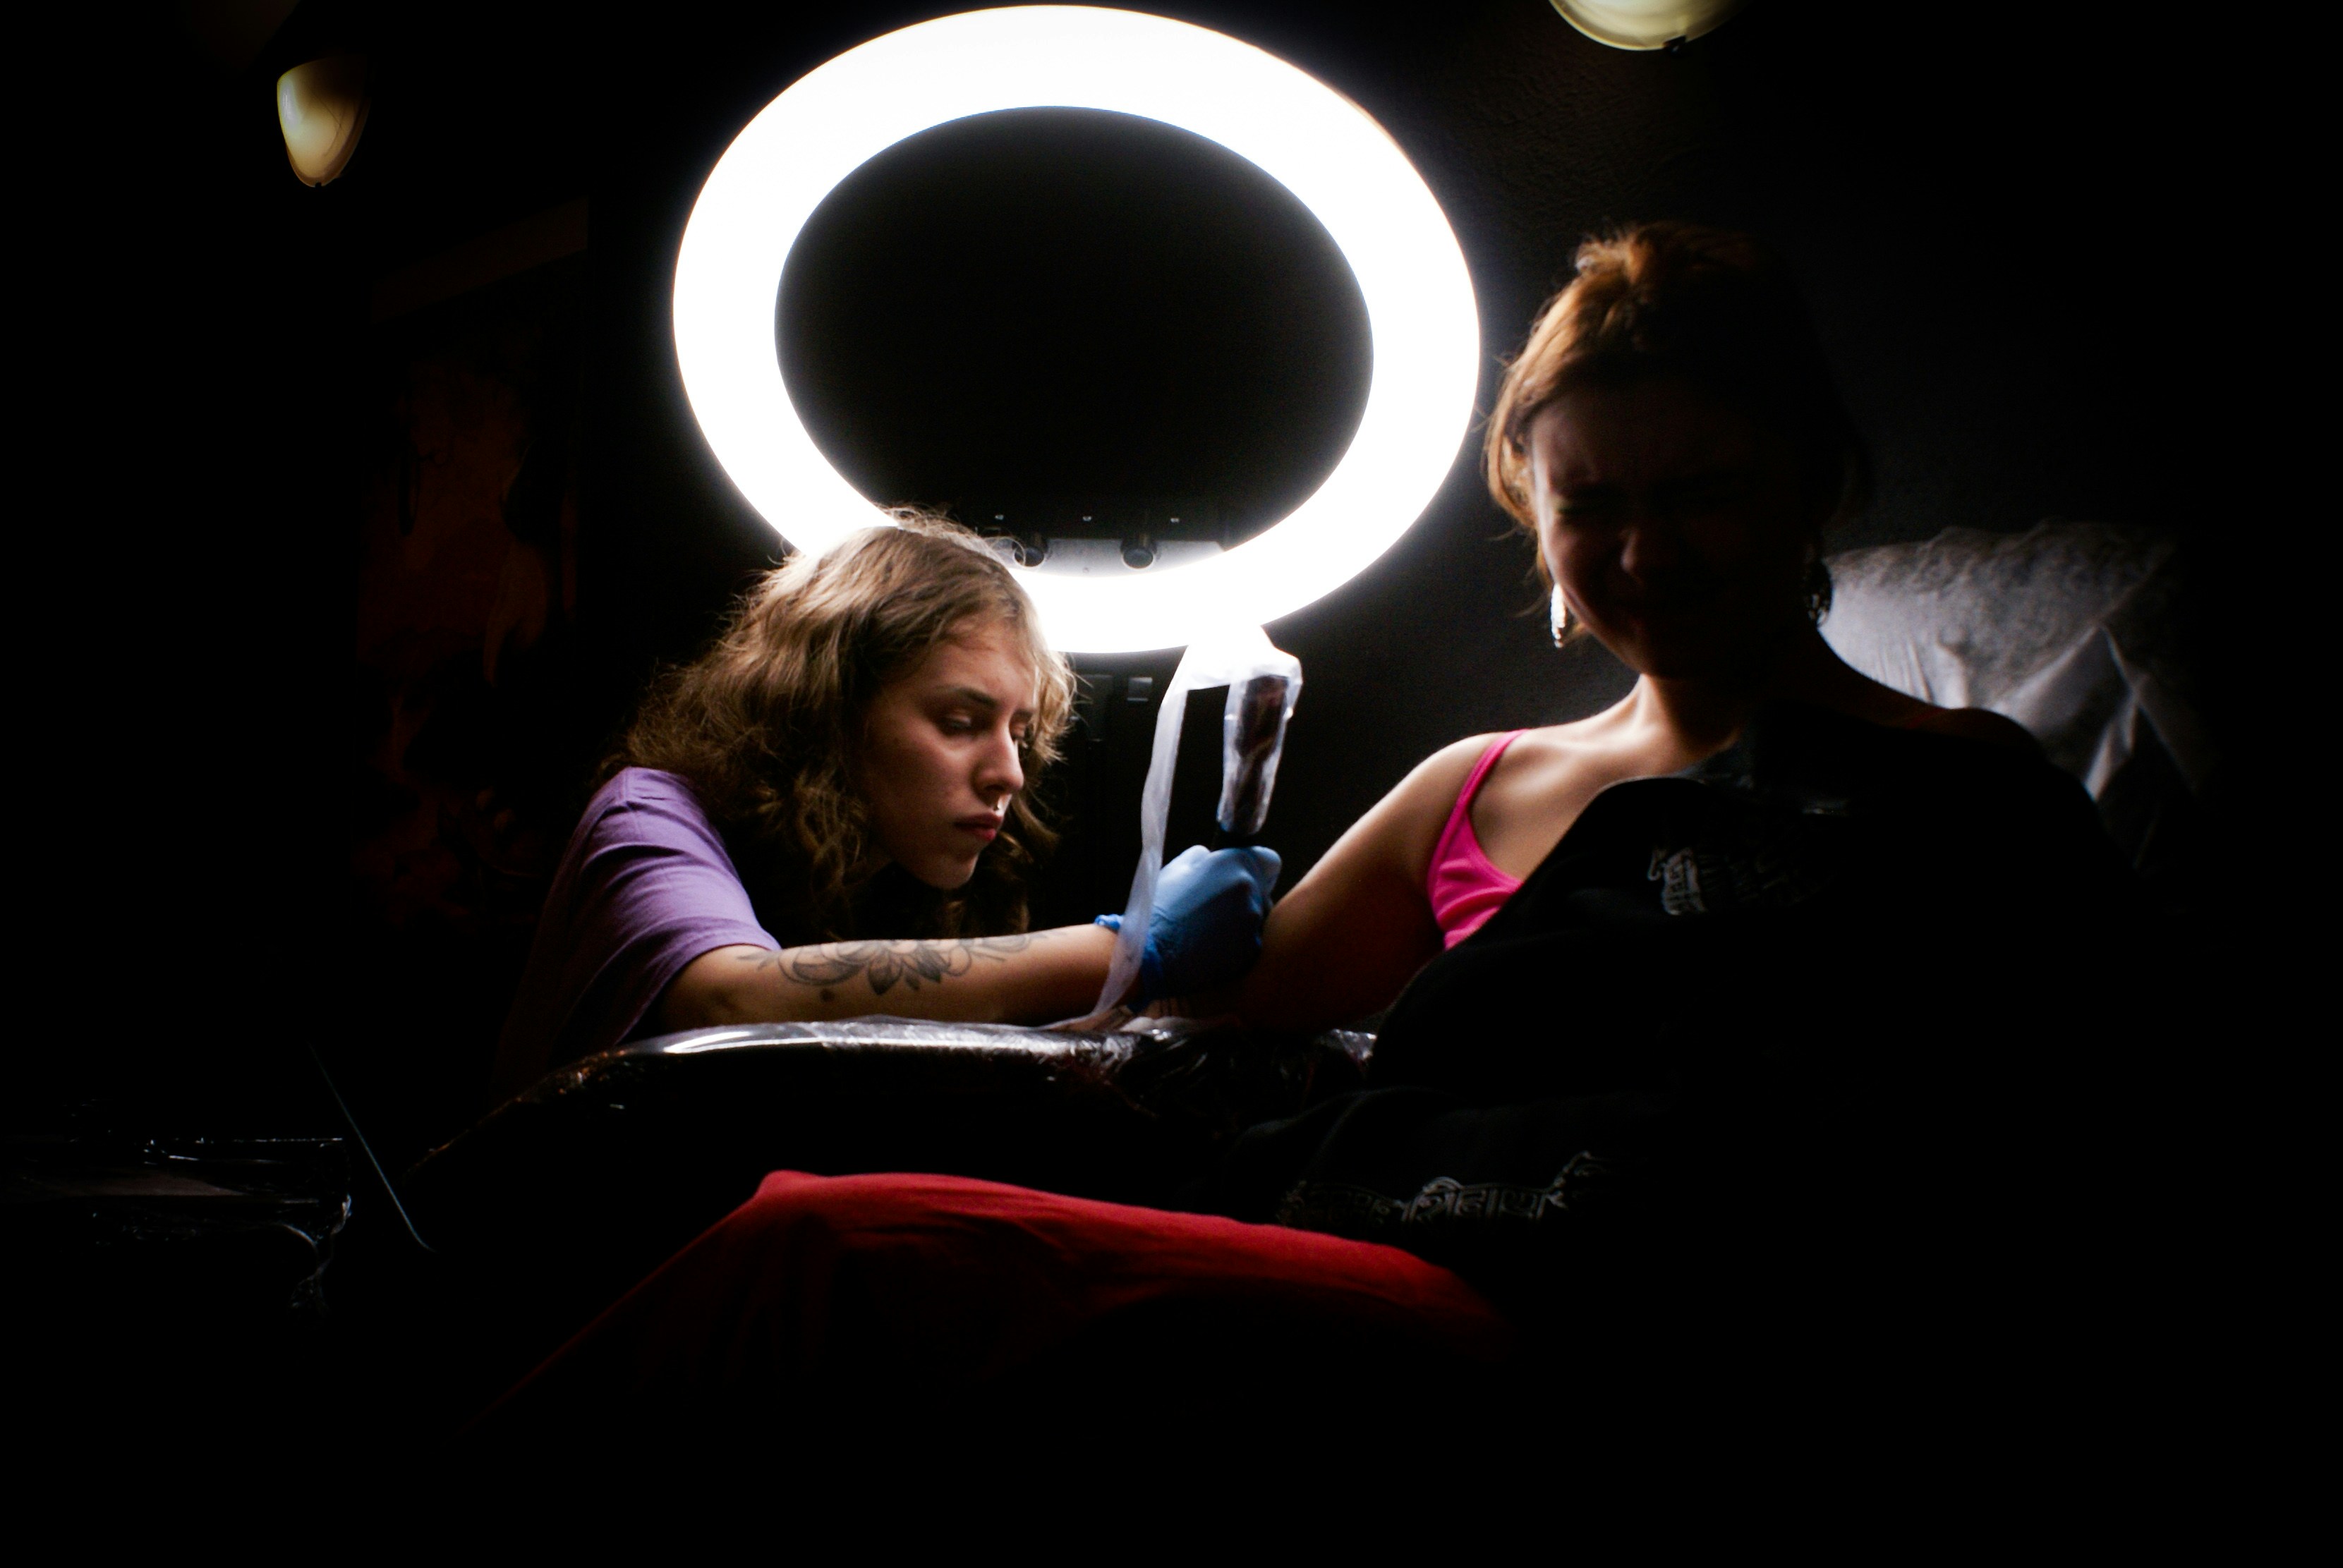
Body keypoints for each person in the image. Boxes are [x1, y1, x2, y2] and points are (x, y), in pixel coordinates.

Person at [1179, 224, 2142, 1380]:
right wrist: (926, 959)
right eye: (1589, 507)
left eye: (1703, 493)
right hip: (1390, 1316)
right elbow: (1200, 990)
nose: (1644, 554)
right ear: (1535, 514)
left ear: (1809, 484)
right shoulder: (1473, 783)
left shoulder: (1968, 793)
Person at [490, 515, 1279, 1100]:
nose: (1008, 771)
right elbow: (729, 1000)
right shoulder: (648, 818)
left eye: (1022, 730)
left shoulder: (901, 883)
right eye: (961, 723)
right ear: (831, 710)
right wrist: (1130, 951)